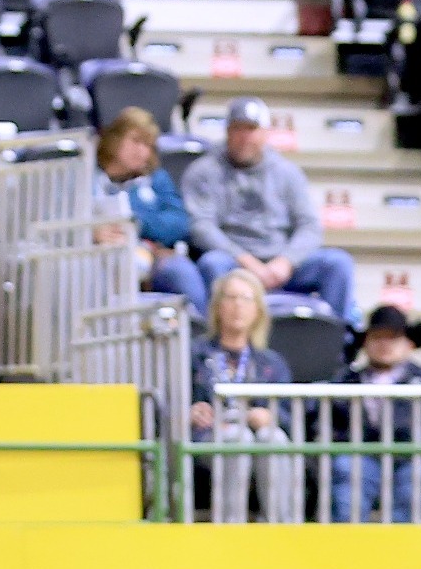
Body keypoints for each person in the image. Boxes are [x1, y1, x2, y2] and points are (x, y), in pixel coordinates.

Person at [184, 96, 359, 327]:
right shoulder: (203, 171)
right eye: (238, 129)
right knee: (212, 263)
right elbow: (201, 226)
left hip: (281, 262)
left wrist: (286, 261)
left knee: (338, 263)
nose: (244, 137)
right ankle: (222, 340)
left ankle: (338, 340)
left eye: (252, 129)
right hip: (234, 260)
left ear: (265, 133)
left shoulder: (287, 172)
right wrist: (246, 261)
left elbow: (309, 225)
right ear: (227, 131)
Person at [328, 305, 421, 523]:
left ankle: (402, 551)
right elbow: (325, 426)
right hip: (359, 455)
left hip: (414, 458)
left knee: (418, 477)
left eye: (393, 338)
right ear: (365, 342)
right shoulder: (344, 382)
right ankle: (346, 548)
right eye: (377, 337)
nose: (384, 344)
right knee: (347, 472)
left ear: (409, 343)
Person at [190, 270, 298, 523]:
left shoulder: (271, 362)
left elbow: (291, 415)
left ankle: (281, 526)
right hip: (210, 434)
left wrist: (271, 416)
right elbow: (176, 400)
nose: (238, 306)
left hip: (255, 431)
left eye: (247, 299)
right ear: (217, 307)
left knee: (274, 437)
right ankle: (231, 527)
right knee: (237, 437)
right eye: (231, 298)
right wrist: (191, 410)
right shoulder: (195, 353)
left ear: (258, 310)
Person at [93, 107, 206, 315]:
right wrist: (92, 232)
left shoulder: (157, 179)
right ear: (114, 140)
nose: (142, 151)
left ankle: (201, 334)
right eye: (136, 141)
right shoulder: (88, 177)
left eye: (148, 145)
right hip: (97, 257)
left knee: (181, 271)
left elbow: (179, 223)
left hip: (151, 257)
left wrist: (136, 221)